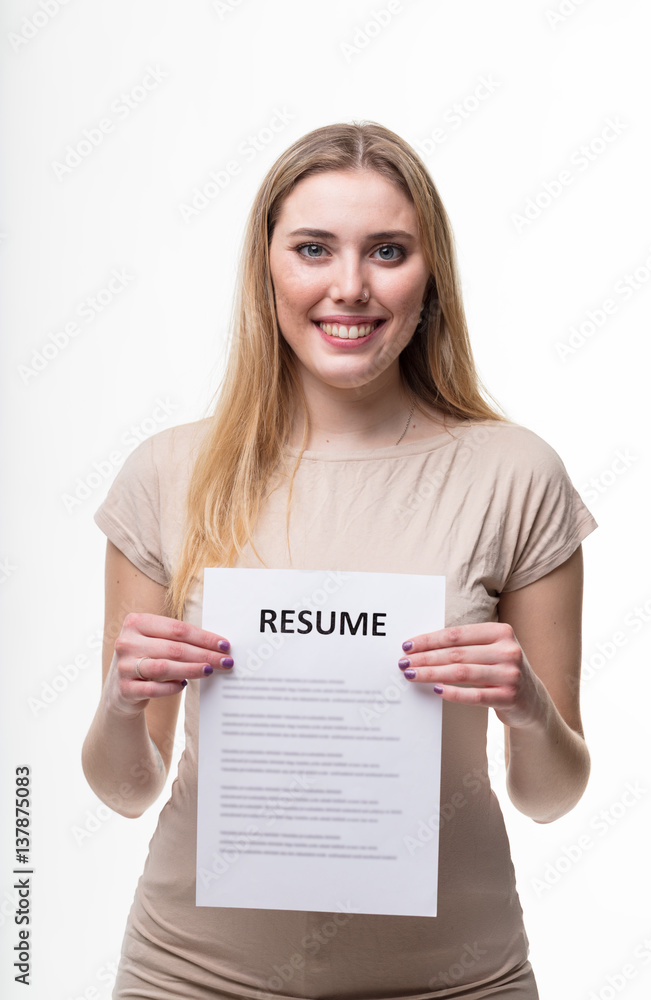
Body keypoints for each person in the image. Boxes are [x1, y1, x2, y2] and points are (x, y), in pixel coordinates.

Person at [82, 121, 597, 999]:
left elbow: (549, 796)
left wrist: (527, 708)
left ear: (429, 276)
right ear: (266, 268)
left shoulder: (515, 474)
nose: (349, 286)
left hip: (454, 981)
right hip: (193, 974)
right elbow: (126, 791)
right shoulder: (168, 474)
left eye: (386, 251)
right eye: (313, 248)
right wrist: (122, 702)